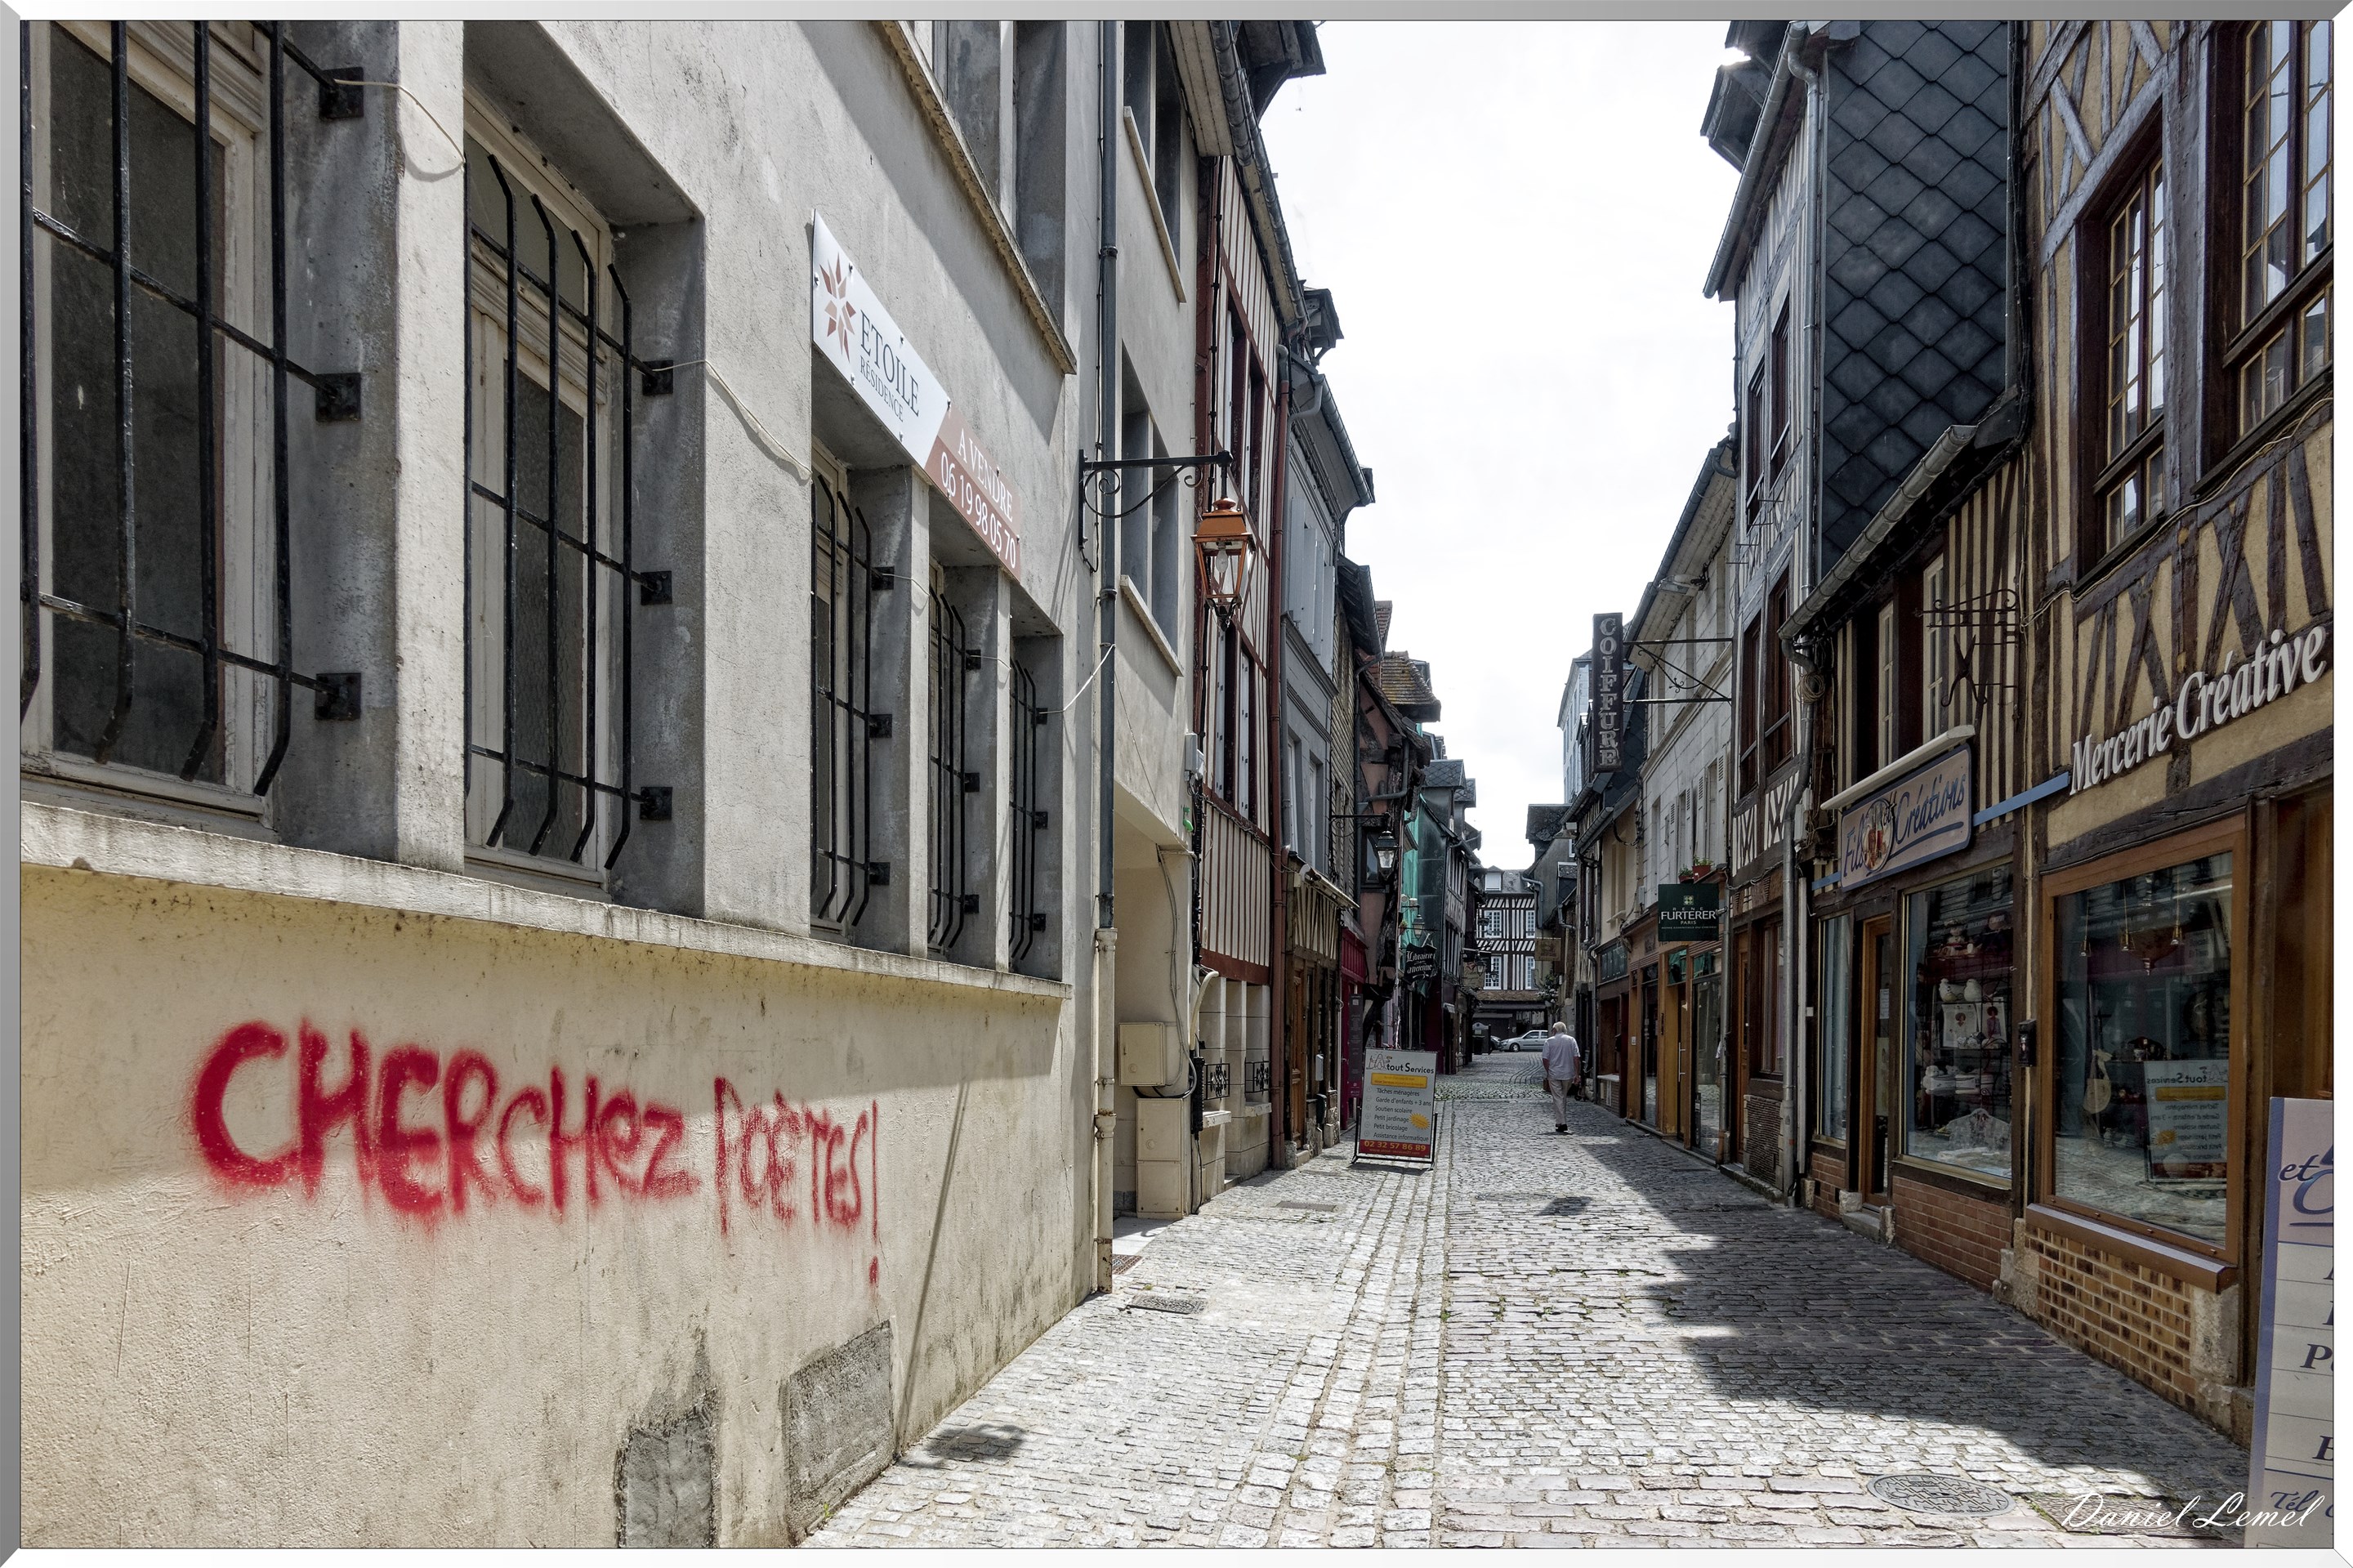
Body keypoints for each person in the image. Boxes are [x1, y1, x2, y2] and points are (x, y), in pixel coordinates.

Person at [1540, 1023, 1583, 1133]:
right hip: (1568, 1073)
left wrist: (1548, 1071)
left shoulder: (1549, 1041)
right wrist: (1577, 1074)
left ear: (1555, 1029)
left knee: (1558, 1098)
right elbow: (1576, 1058)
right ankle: (1559, 1122)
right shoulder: (1571, 1040)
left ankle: (1562, 1122)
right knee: (1562, 1097)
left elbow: (1545, 1059)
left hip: (1554, 1073)